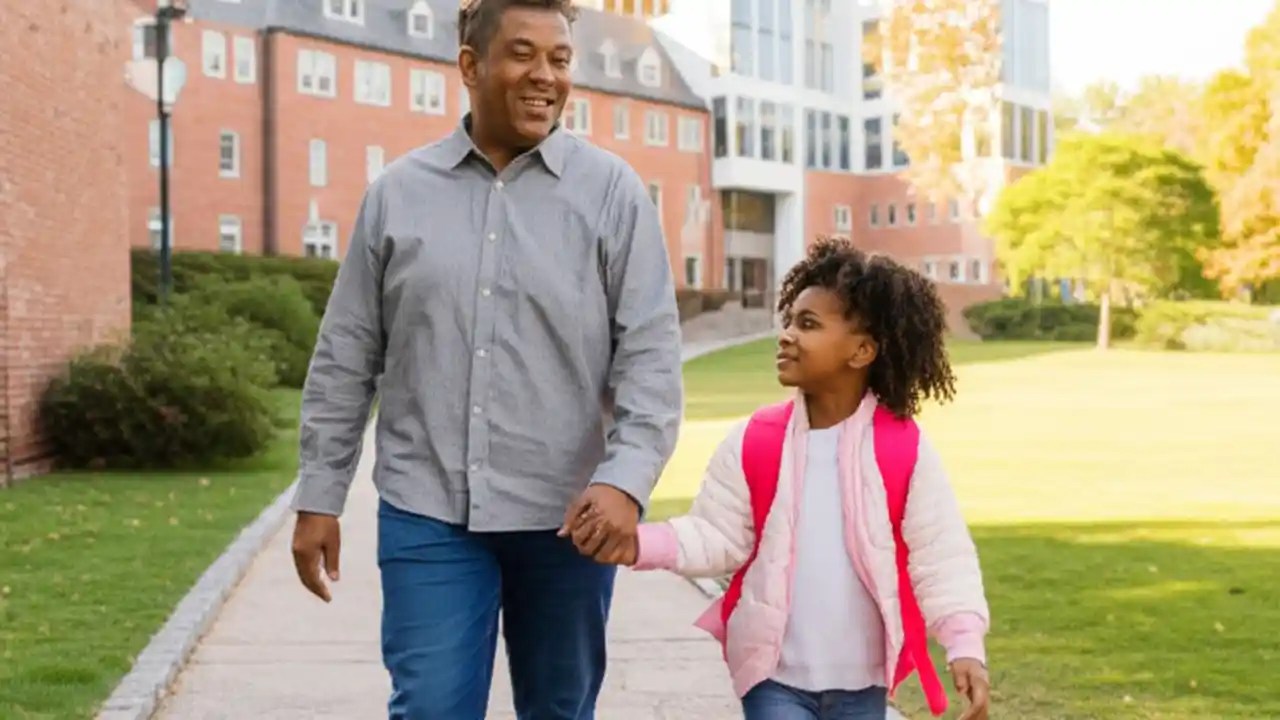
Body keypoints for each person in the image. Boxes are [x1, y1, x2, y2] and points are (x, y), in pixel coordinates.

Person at [287, 0, 684, 717]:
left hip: (569, 518)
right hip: (428, 509)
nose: (545, 76)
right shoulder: (397, 195)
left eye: (559, 59)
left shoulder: (613, 194)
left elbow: (651, 356)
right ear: (469, 66)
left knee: (559, 710)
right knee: (431, 707)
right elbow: (346, 354)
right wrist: (320, 493)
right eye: (523, 54)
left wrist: (625, 482)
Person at [563, 238, 992, 720]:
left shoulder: (903, 449)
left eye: (807, 324)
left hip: (864, 686)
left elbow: (941, 555)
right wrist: (638, 544)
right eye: (789, 321)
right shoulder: (757, 440)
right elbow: (716, 534)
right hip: (774, 682)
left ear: (862, 350)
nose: (786, 335)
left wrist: (964, 645)